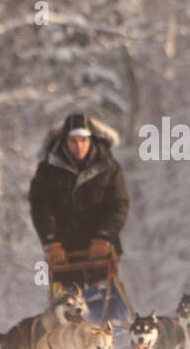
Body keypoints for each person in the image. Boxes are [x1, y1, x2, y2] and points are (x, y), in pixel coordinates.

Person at [30, 112, 129, 273]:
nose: (79, 146)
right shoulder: (47, 170)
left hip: (101, 255)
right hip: (63, 255)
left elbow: (118, 204)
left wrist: (104, 237)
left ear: (91, 140)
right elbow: (40, 207)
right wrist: (51, 242)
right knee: (65, 297)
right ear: (65, 142)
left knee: (108, 296)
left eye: (83, 140)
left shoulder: (109, 167)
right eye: (73, 141)